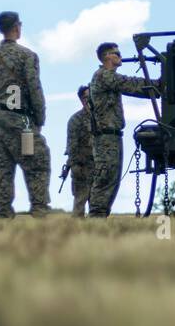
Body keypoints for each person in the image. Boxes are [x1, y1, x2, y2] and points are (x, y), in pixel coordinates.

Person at [0, 11, 51, 218]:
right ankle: (39, 211)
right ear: (17, 27)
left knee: (3, 171)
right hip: (24, 125)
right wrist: (39, 119)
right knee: (36, 164)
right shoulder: (27, 56)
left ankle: (2, 215)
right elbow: (35, 90)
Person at [87, 42, 161, 217]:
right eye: (117, 53)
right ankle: (95, 220)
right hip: (106, 139)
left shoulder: (107, 77)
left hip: (112, 137)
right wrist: (158, 84)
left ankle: (99, 220)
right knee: (105, 180)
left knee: (112, 181)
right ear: (107, 57)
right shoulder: (103, 75)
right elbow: (130, 84)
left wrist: (156, 86)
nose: (121, 56)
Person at [65, 86, 94, 217]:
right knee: (79, 206)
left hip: (99, 169)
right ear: (82, 100)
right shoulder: (75, 120)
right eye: (86, 98)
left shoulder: (101, 119)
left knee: (99, 208)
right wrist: (75, 166)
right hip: (82, 169)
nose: (89, 100)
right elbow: (72, 146)